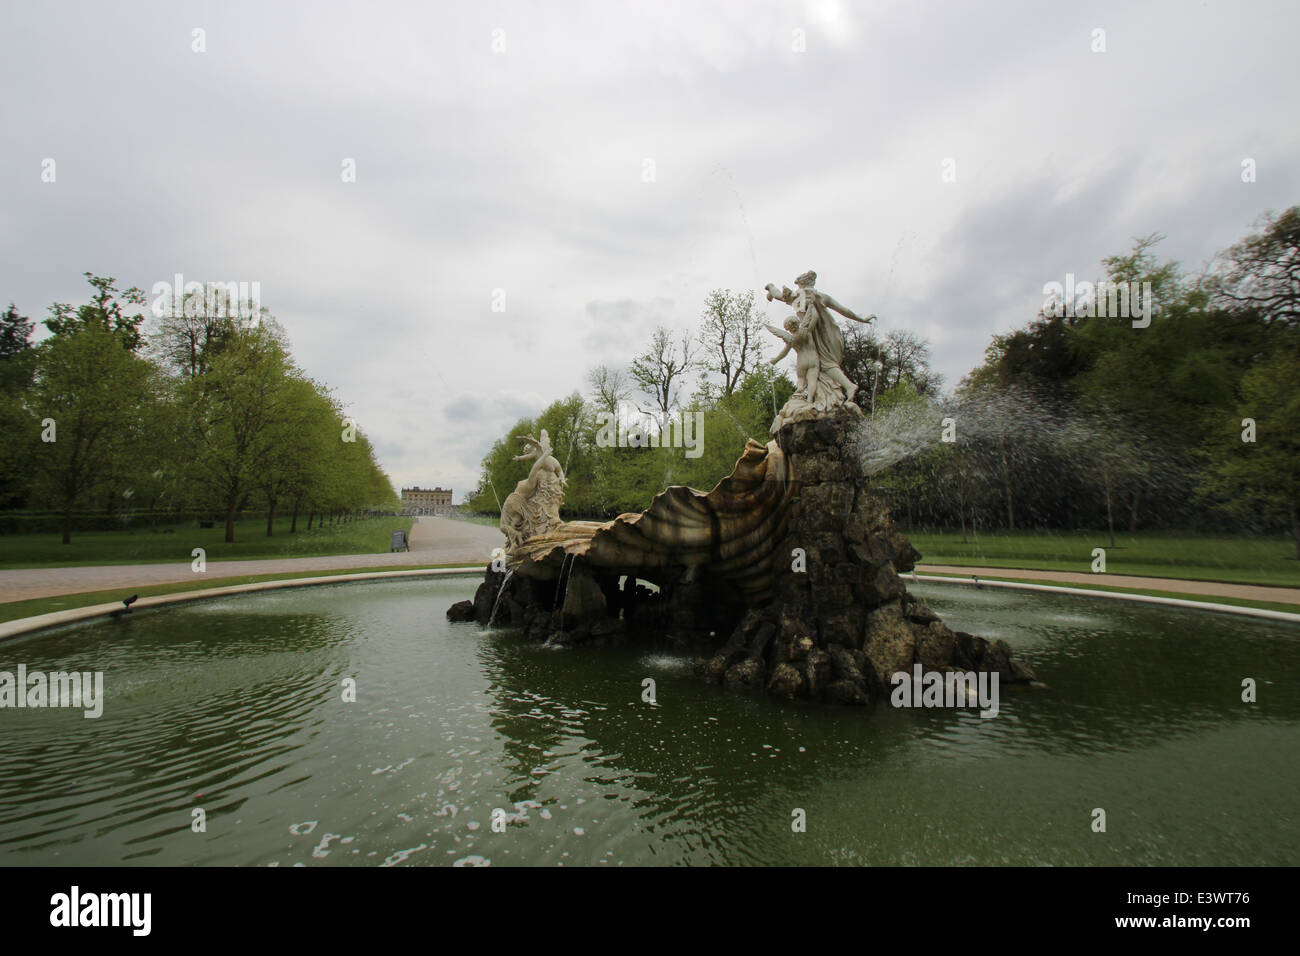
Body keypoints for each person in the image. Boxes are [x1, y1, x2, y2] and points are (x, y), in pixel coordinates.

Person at [764, 270, 874, 402]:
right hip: (821, 334)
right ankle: (837, 389)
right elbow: (843, 310)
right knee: (825, 364)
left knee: (825, 364)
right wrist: (861, 319)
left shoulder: (798, 295)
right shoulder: (820, 296)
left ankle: (845, 387)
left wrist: (771, 288)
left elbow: (780, 296)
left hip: (814, 335)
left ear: (801, 285)